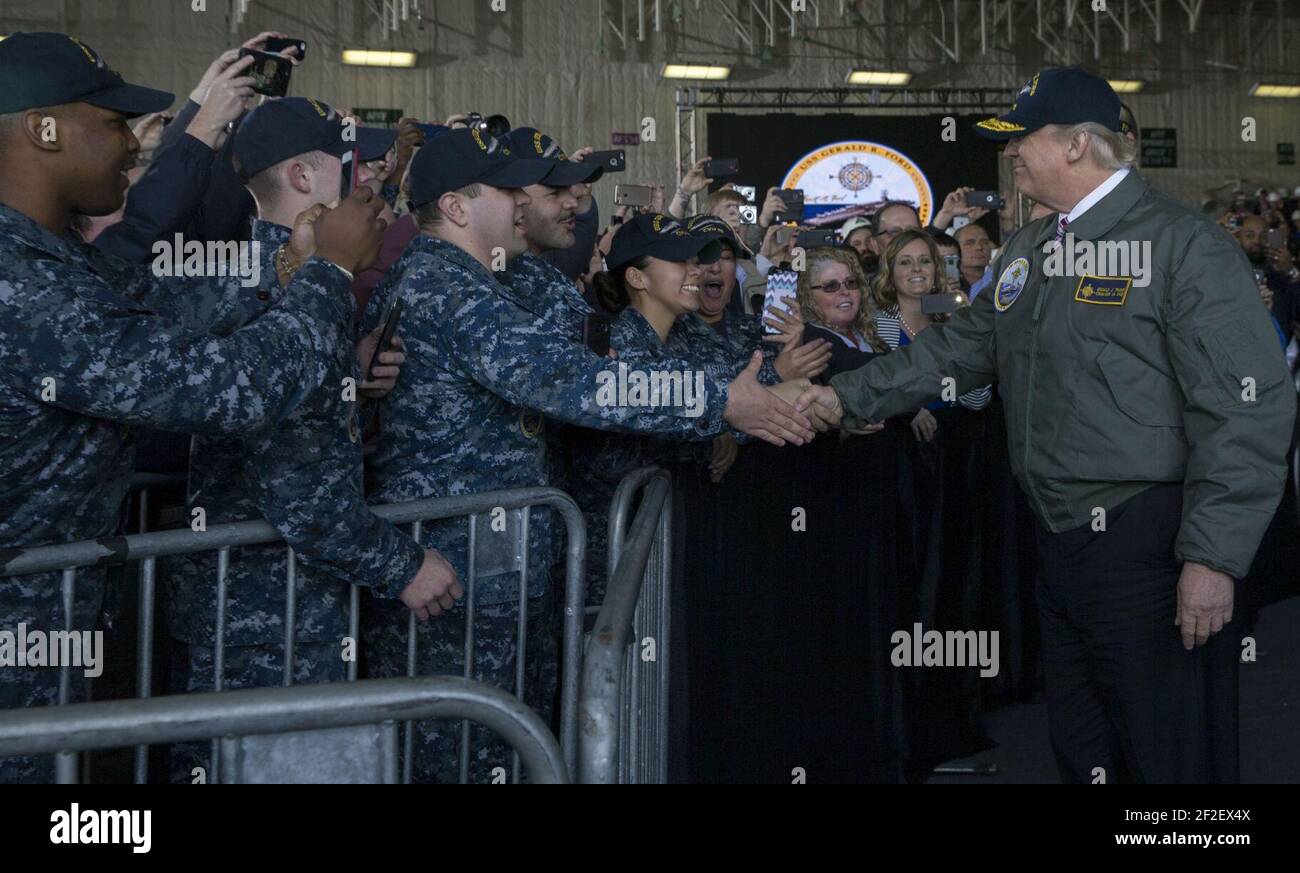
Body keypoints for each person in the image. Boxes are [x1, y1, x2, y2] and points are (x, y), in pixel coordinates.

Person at [808, 66, 1296, 784]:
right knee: (1082, 744)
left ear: (1076, 146)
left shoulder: (1181, 245)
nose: (1010, 153)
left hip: (1153, 542)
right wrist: (836, 397)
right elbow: (958, 347)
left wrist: (1215, 557)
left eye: (1022, 138)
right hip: (1060, 542)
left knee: (1170, 757)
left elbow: (1246, 406)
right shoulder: (1033, 250)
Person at [359, 130, 818, 783]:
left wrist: (734, 399)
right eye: (510, 190)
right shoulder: (443, 286)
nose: (526, 203)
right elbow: (577, 383)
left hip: (497, 574)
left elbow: (600, 365)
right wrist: (721, 403)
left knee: (517, 750)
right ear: (458, 208)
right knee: (460, 755)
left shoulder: (499, 277)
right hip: (455, 582)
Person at [0, 32, 386, 782]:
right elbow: (231, 388)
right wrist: (331, 274)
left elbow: (168, 300)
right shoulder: (23, 291)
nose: (127, 145)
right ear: (43, 130)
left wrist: (290, 269)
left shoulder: (51, 262)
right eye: (111, 122)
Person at [163, 98, 462, 781]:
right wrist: (405, 566)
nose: (365, 189)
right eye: (350, 168)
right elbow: (299, 486)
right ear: (302, 179)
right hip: (274, 612)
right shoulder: (284, 289)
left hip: (256, 604)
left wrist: (349, 376)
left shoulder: (255, 276)